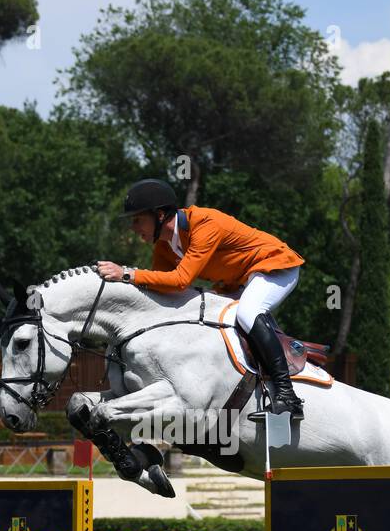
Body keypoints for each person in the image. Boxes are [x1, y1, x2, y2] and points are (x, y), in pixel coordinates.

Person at [97, 179, 307, 418]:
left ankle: (287, 396)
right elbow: (163, 291)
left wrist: (126, 274)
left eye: (137, 220)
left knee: (247, 313)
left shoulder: (204, 223)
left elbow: (180, 281)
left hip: (275, 267)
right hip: (238, 281)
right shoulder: (164, 247)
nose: (133, 228)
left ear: (160, 215)